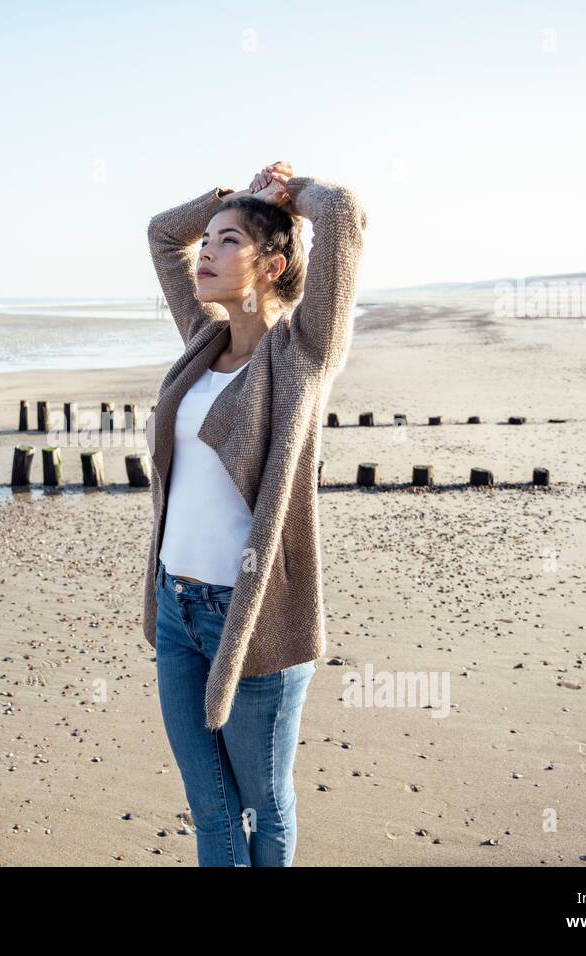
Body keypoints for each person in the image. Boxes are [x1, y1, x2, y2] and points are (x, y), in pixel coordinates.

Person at [145, 160, 367, 866]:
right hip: (176, 608)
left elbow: (343, 214)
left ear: (273, 264)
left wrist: (289, 195)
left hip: (255, 617)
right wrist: (226, 199)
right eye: (206, 241)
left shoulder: (302, 354)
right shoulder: (201, 340)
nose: (205, 251)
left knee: (263, 806)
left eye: (228, 240)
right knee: (210, 810)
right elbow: (160, 235)